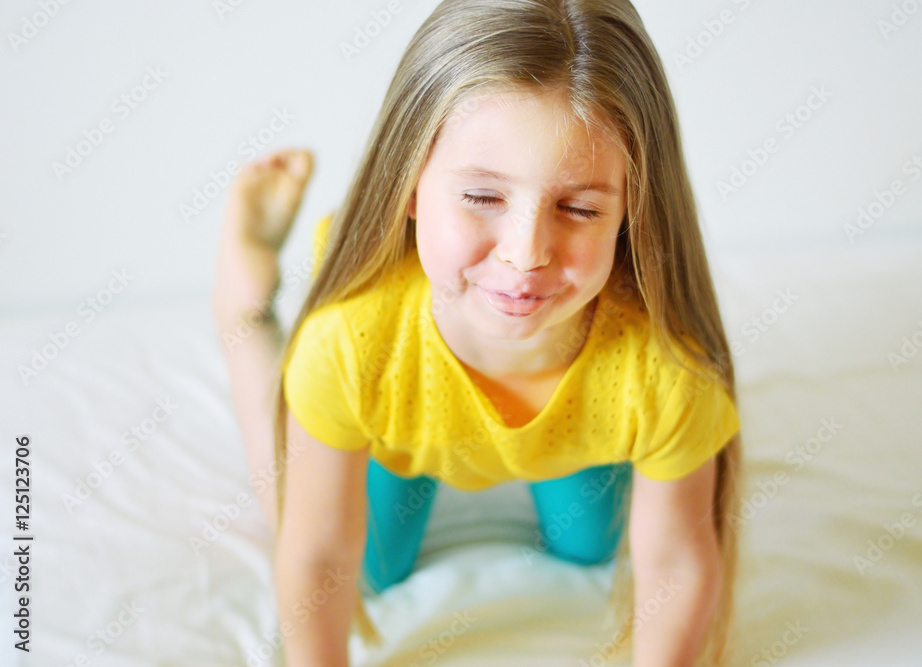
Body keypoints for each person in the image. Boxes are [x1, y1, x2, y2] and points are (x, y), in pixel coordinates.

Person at [212, 1, 744, 665]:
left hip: (572, 434)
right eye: (483, 197)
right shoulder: (352, 343)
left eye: (579, 207)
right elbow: (317, 551)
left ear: (633, 211)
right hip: (401, 430)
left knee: (592, 546)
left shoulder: (665, 373)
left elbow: (675, 564)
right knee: (375, 565)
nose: (526, 254)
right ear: (408, 183)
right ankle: (244, 307)